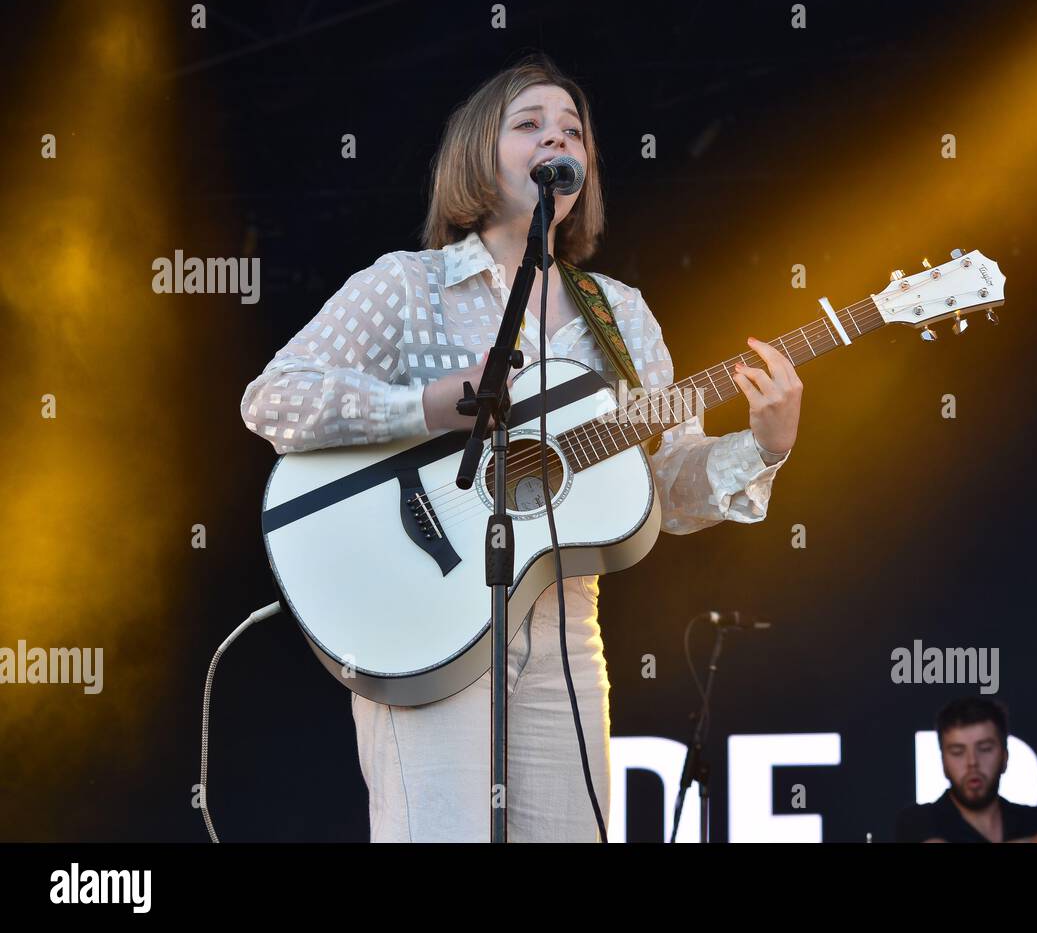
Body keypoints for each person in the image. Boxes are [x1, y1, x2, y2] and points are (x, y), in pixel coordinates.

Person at [238, 54, 803, 841]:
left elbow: (667, 490)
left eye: (573, 129)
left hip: (566, 630)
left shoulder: (619, 312)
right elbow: (275, 400)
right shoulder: (409, 284)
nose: (556, 138)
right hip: (428, 610)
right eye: (529, 124)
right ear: (478, 151)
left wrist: (763, 445)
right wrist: (429, 405)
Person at [894, 697, 1037, 843]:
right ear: (943, 763)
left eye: (985, 748)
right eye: (957, 752)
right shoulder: (919, 821)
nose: (972, 762)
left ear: (1005, 757)